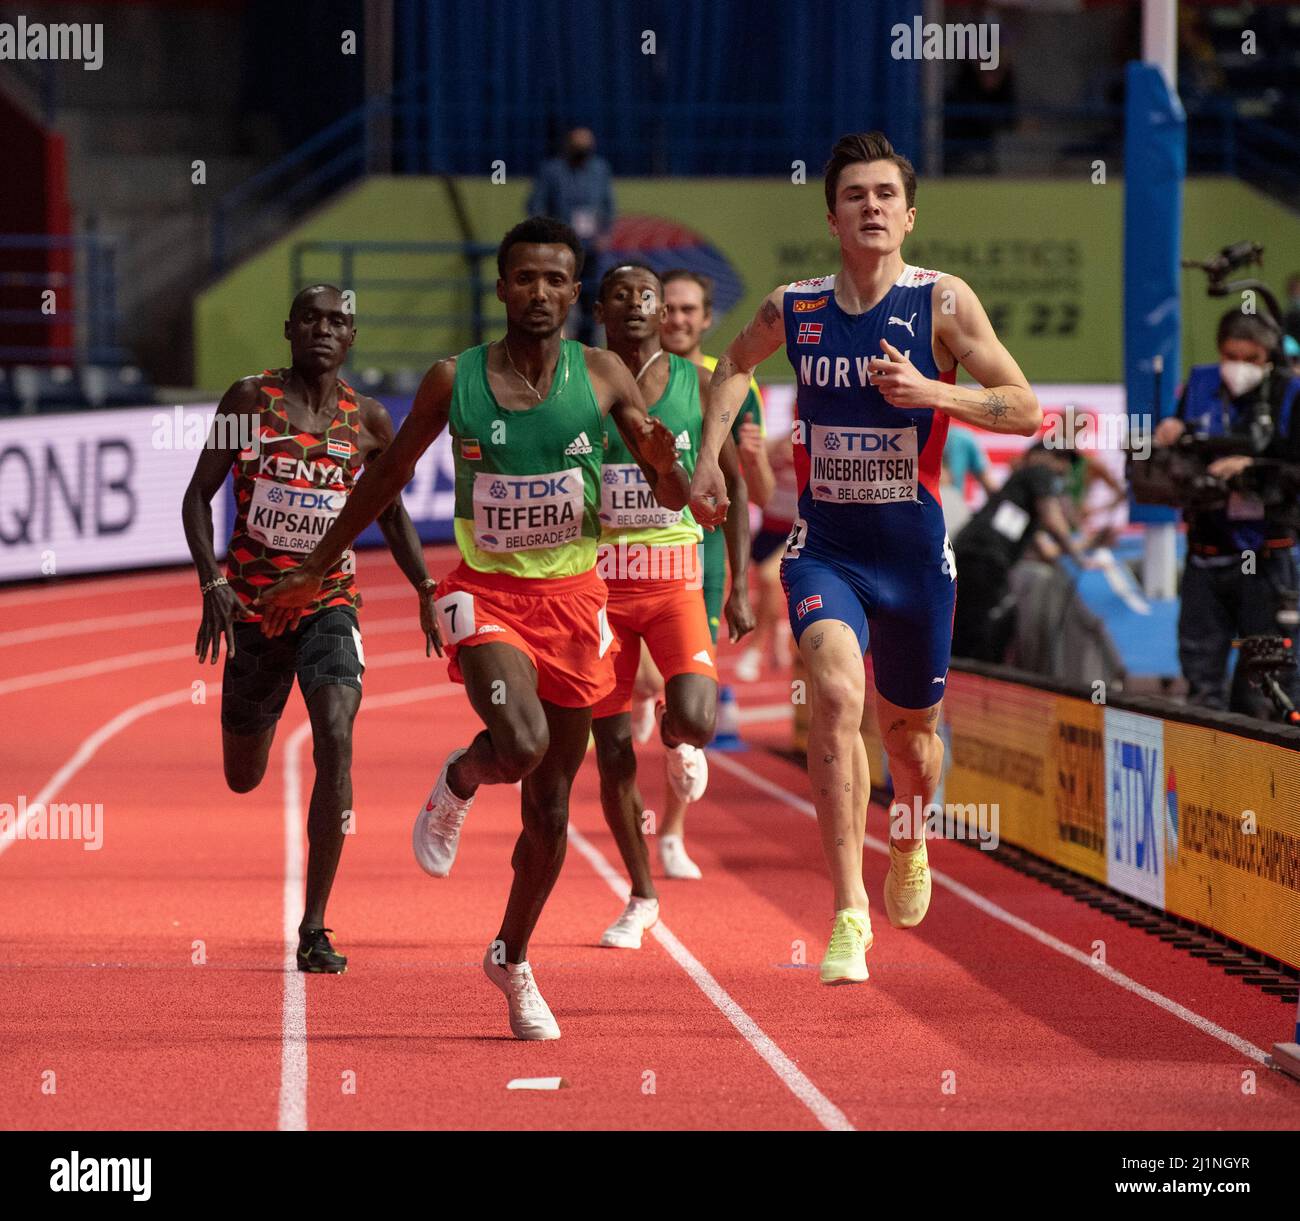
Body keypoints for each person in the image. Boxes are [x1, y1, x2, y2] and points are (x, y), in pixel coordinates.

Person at [259, 218, 685, 1039]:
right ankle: (462, 774)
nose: (538, 293)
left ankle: (511, 958)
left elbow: (666, 494)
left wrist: (669, 467)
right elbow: (387, 475)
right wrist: (316, 563)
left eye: (555, 280)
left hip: (576, 602)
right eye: (522, 278)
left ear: (573, 292)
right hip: (486, 596)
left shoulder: (600, 376)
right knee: (519, 744)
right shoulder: (453, 380)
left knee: (551, 814)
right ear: (499, 288)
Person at [688, 131, 1043, 985]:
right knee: (838, 693)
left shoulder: (943, 305)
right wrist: (709, 455)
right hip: (828, 551)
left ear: (909, 215)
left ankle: (911, 838)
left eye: (887, 194)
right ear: (833, 214)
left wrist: (934, 391)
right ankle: (848, 909)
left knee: (912, 740)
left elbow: (1025, 408)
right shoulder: (798, 308)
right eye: (856, 195)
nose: (872, 206)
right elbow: (732, 366)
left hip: (916, 557)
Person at [181, 285, 437, 974]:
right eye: (313, 319)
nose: (326, 330)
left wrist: (424, 586)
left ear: (353, 336)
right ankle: (251, 726)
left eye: (340, 322)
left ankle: (315, 925)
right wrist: (213, 582)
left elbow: (389, 513)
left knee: (335, 733)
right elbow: (197, 496)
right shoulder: (247, 402)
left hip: (330, 602)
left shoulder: (370, 422)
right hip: (255, 612)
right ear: (289, 327)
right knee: (244, 775)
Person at [588, 262, 753, 948]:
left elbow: (736, 487)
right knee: (613, 750)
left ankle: (681, 738)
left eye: (647, 297)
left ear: (665, 315)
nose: (635, 306)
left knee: (692, 715)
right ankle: (641, 894)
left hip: (675, 580)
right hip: (597, 589)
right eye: (620, 295)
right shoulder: (578, 385)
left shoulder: (700, 386)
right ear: (599, 309)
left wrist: (740, 583)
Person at [624, 268, 772, 879]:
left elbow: (755, 492)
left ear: (707, 319)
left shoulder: (731, 386)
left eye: (691, 310)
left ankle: (673, 834)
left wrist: (762, 461)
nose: (679, 318)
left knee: (683, 705)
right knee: (649, 685)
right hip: (623, 554)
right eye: (671, 308)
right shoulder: (620, 379)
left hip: (697, 557)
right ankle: (644, 694)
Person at [1154, 308, 1300, 717]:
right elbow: (1176, 456)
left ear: (1268, 358)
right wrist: (1172, 434)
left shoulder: (1289, 394)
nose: (1239, 368)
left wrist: (1252, 469)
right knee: (1201, 683)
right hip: (1206, 554)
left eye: (1250, 359)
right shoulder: (1200, 385)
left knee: (1266, 685)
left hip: (1267, 558)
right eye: (1231, 356)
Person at [952, 441, 1098, 663]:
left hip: (976, 560)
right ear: (1043, 456)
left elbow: (1047, 551)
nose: (1064, 469)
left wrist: (1087, 546)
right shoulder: (1039, 473)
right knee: (979, 630)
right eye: (1062, 460)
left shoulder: (1020, 495)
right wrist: (1080, 558)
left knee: (969, 627)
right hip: (981, 560)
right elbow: (1053, 520)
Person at [526, 127, 615, 346]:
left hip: (590, 250)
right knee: (555, 298)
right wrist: (550, 235)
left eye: (586, 146)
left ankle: (585, 350)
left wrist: (604, 233)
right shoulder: (551, 171)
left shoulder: (600, 169)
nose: (582, 150)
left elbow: (608, 206)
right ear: (567, 146)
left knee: (590, 301)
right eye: (577, 145)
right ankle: (553, 347)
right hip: (560, 251)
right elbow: (535, 205)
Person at [736, 431, 799, 682]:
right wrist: (765, 455)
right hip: (769, 529)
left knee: (768, 578)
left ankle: (755, 648)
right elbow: (754, 486)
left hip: (798, 530)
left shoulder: (817, 442)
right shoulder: (779, 443)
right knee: (766, 589)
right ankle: (779, 631)